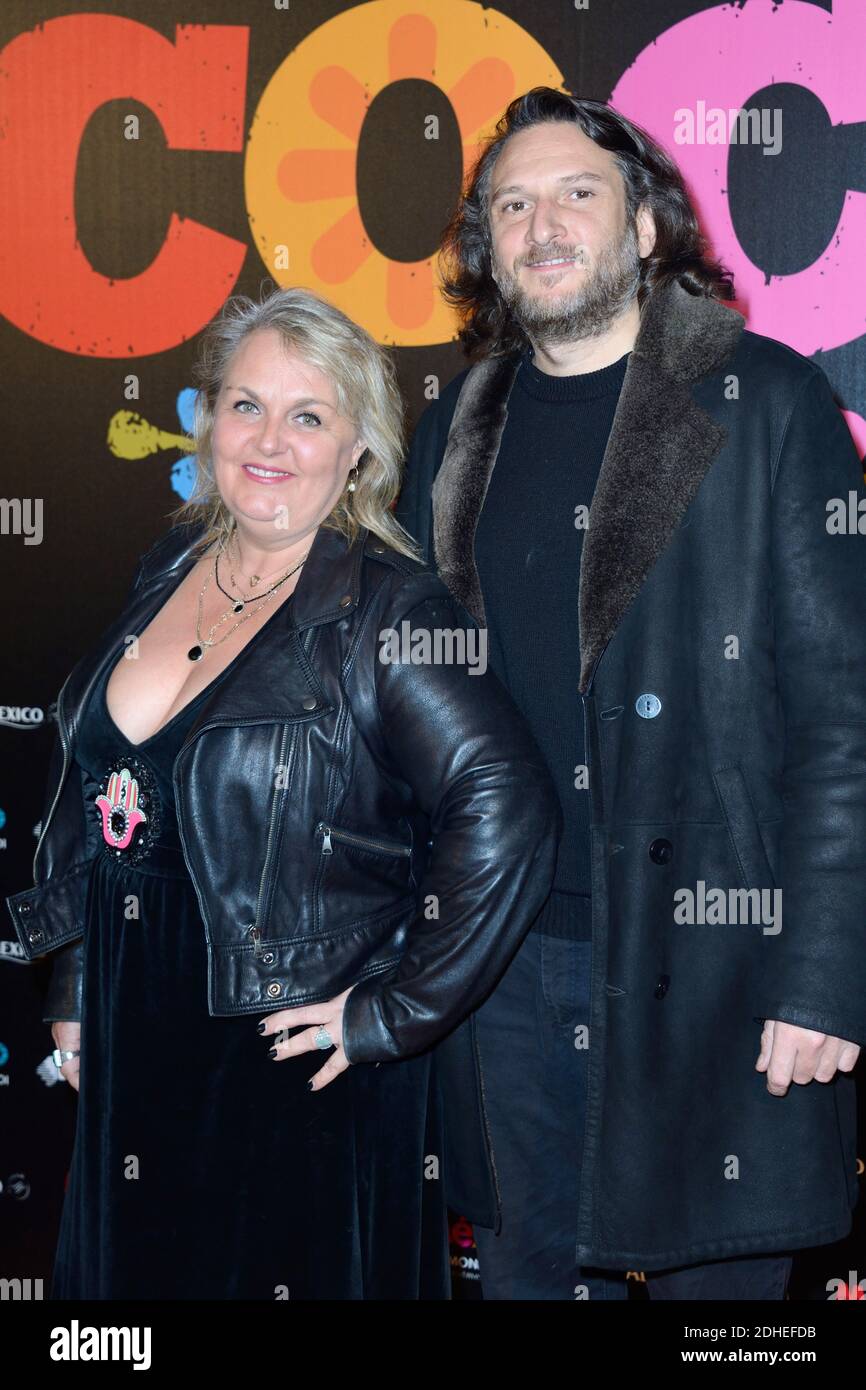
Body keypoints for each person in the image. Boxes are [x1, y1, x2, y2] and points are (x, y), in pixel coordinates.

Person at [395, 87, 866, 1301]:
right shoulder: (453, 429)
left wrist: (823, 975)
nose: (539, 223)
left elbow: (842, 715)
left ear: (645, 227)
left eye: (573, 193)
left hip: (713, 963)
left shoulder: (762, 400)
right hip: (496, 970)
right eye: (510, 203)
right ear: (486, 249)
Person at [6, 285, 560, 1300]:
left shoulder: (386, 607)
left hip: (285, 1063)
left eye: (308, 415)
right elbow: (105, 788)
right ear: (208, 418)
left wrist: (390, 1013)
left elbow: (506, 805)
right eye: (245, 404)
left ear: (357, 450)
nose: (269, 439)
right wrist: (78, 983)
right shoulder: (172, 562)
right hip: (137, 1037)